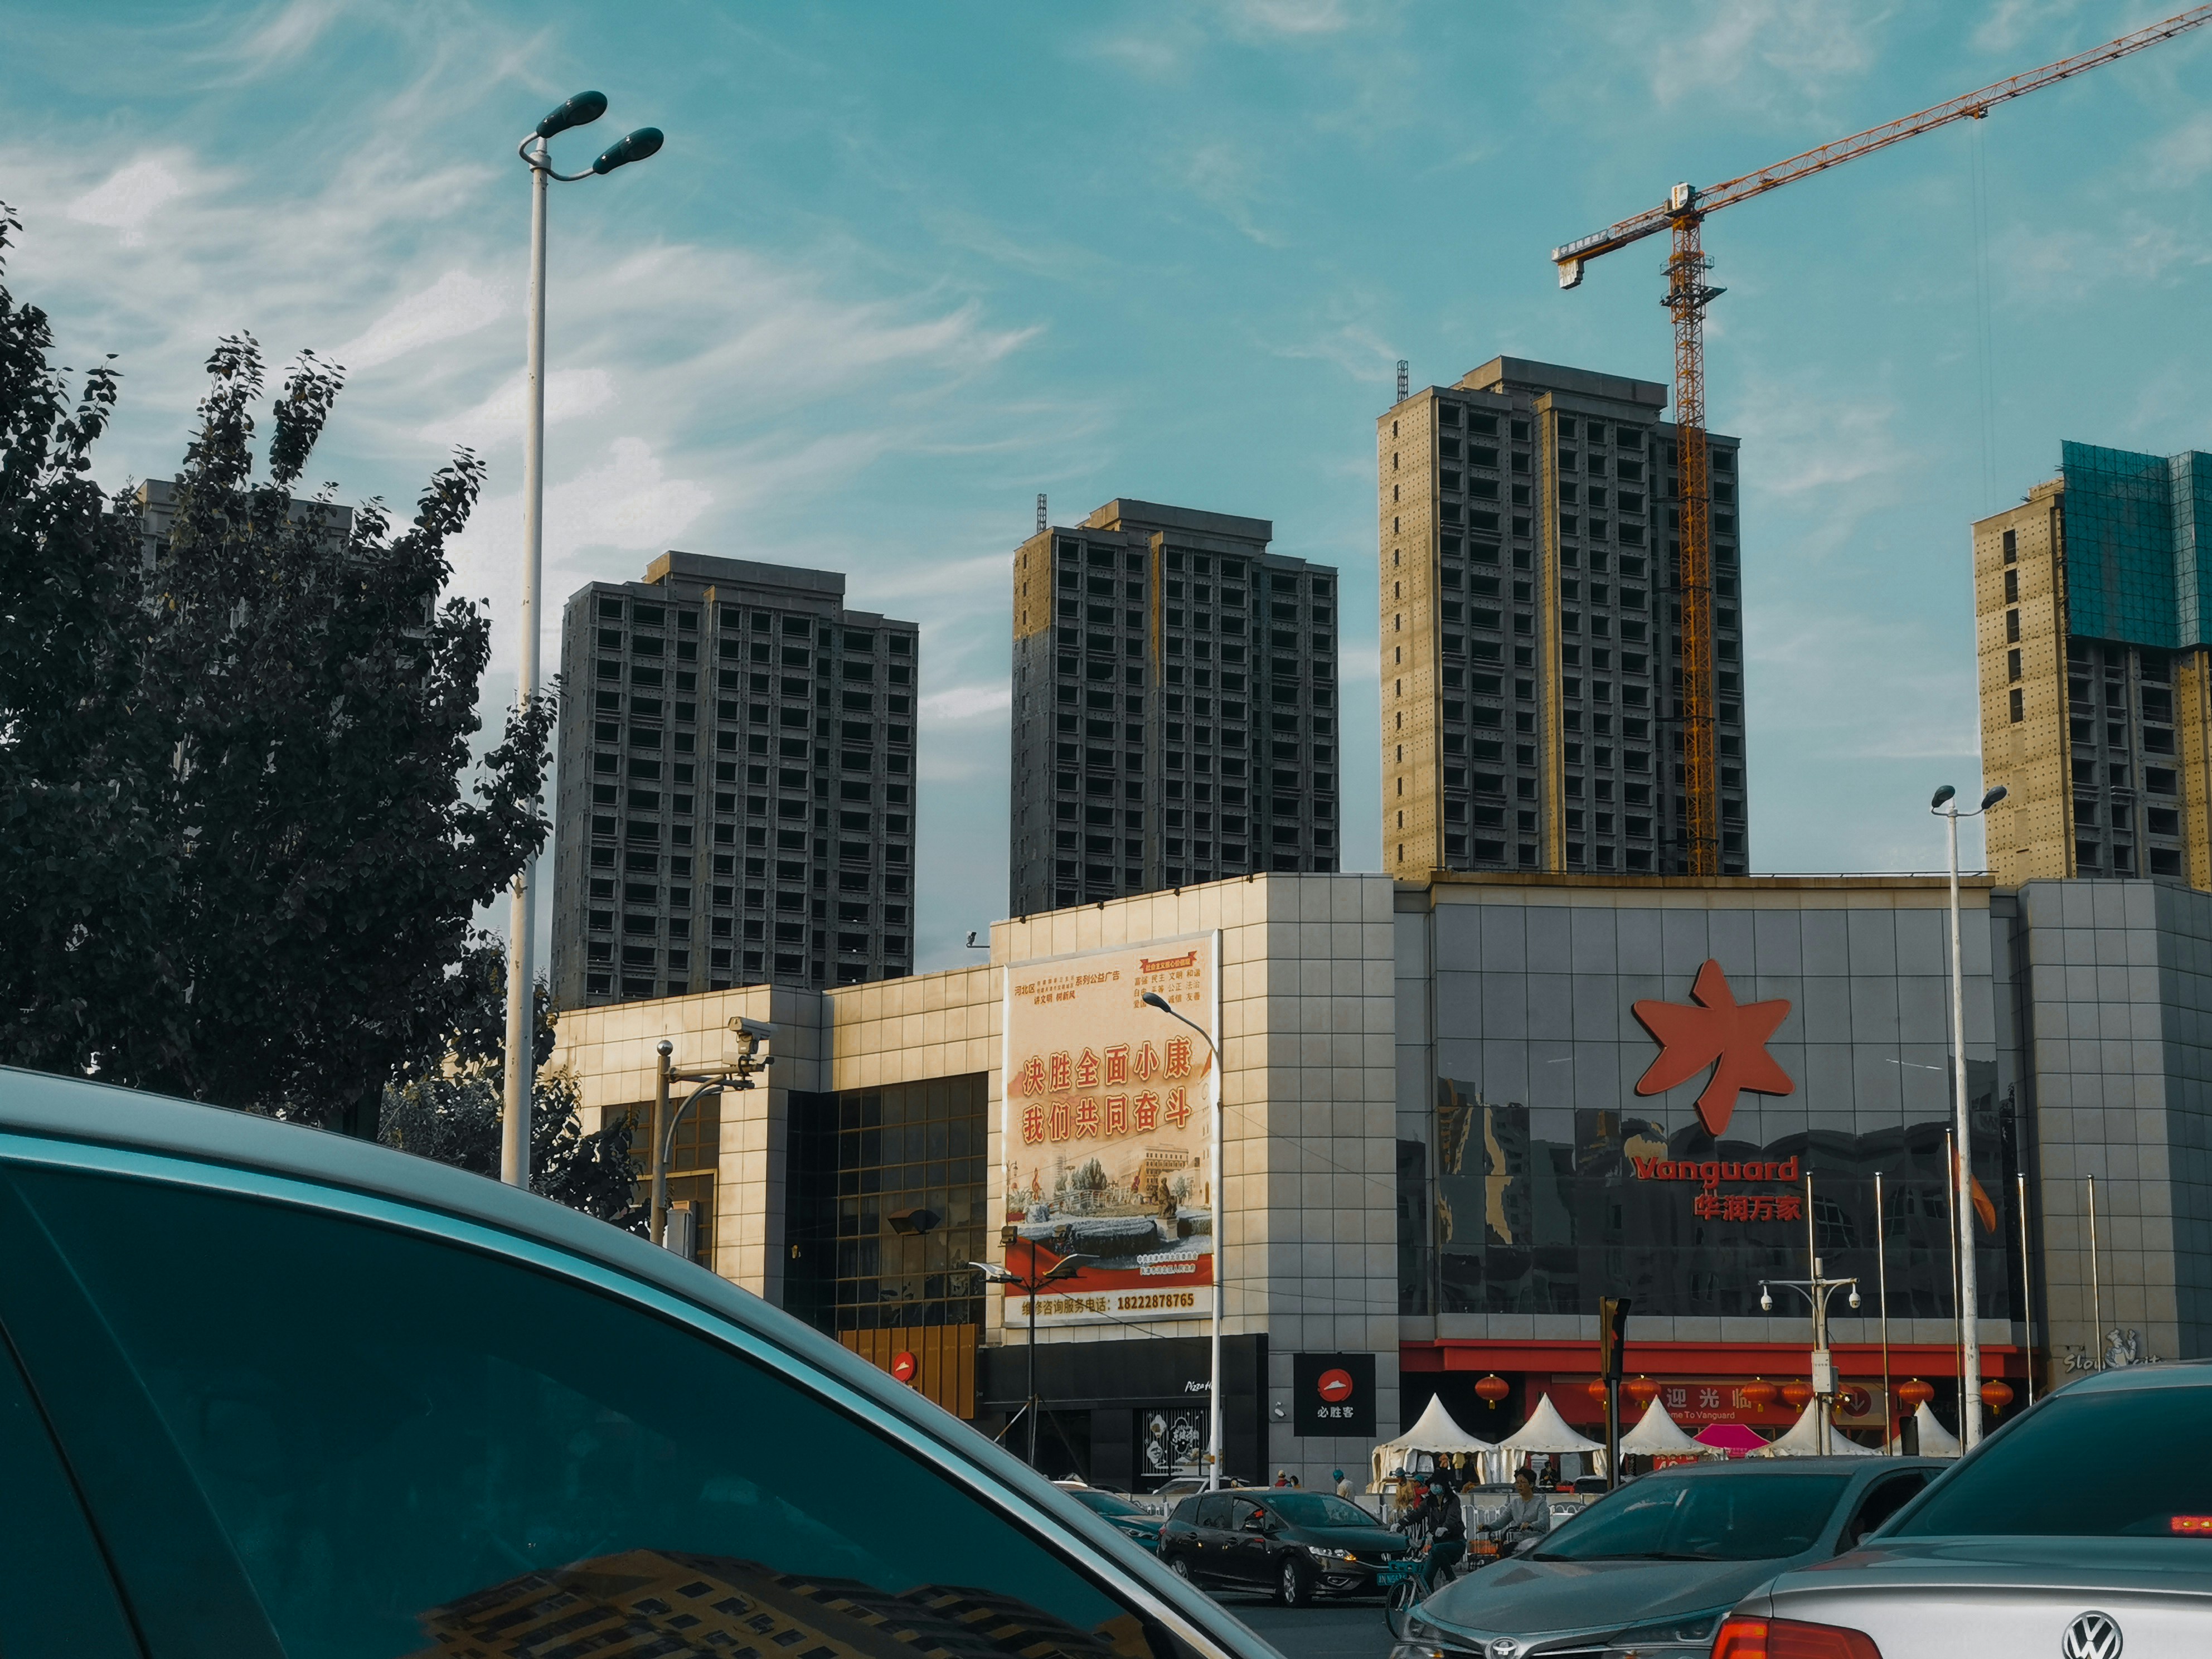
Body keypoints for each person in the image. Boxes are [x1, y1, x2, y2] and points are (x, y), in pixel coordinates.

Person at [1479, 1467, 1552, 1553]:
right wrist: (1488, 1527)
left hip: (1536, 1543)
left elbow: (1544, 1522)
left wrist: (1531, 1525)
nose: (1519, 1486)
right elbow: (1501, 1522)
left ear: (1531, 1485)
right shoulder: (1514, 1504)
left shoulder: (1540, 1503)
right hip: (1519, 1543)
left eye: (1523, 1482)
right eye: (1517, 1483)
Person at [1415, 1480, 1466, 1592]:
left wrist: (1445, 1528)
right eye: (1433, 1484)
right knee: (1425, 1579)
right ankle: (1432, 1602)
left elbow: (1452, 1517)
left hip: (1456, 1542)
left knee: (1436, 1549)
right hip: (1437, 1545)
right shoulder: (1429, 1502)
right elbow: (1416, 1514)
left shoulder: (1453, 1500)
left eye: (1437, 1484)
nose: (1434, 1487)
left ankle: (1451, 1577)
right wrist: (1401, 1523)